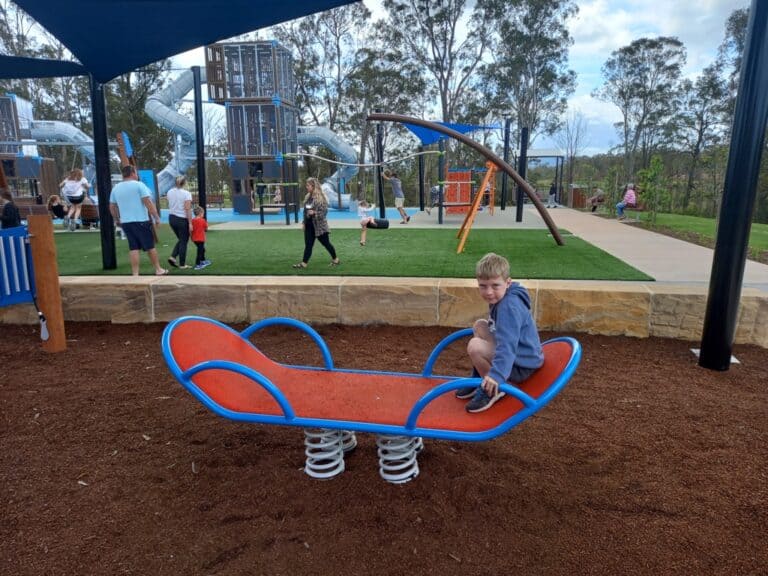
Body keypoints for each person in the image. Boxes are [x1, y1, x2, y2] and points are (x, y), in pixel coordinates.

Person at [455, 252, 544, 414]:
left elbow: (507, 345)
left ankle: (494, 389)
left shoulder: (508, 307)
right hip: (519, 356)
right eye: (483, 285)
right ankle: (480, 378)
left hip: (521, 365)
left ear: (508, 283)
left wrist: (496, 375)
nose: (489, 292)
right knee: (480, 325)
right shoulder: (503, 297)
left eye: (495, 285)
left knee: (475, 347)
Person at [109, 165, 167, 276]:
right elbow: (148, 202)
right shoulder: (139, 185)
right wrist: (157, 218)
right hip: (141, 220)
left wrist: (116, 219)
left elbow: (112, 206)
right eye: (136, 172)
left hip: (126, 222)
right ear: (132, 173)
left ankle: (135, 273)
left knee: (133, 247)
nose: (137, 175)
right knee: (150, 246)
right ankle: (158, 269)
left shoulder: (116, 188)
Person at [292, 177, 340, 269]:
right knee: (308, 245)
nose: (307, 187)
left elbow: (324, 213)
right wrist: (304, 223)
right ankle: (304, 263)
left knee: (326, 244)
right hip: (309, 226)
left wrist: (315, 213)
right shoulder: (308, 197)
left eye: (308, 185)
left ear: (314, 186)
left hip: (319, 226)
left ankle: (336, 259)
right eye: (306, 185)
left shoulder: (321, 198)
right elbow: (305, 212)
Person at [166, 175, 193, 269]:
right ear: (184, 183)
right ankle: (182, 264)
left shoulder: (169, 192)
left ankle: (173, 257)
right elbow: (187, 208)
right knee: (183, 241)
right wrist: (190, 223)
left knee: (182, 240)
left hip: (172, 218)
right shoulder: (186, 193)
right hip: (182, 219)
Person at [191, 206, 210, 270]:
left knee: (202, 249)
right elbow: (206, 228)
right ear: (201, 213)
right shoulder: (202, 220)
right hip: (201, 239)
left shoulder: (192, 220)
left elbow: (191, 229)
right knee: (200, 251)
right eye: (203, 213)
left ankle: (203, 260)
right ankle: (198, 264)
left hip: (194, 239)